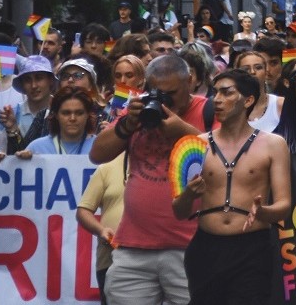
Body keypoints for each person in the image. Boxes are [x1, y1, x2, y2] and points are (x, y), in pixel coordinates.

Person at [90, 54, 211, 305]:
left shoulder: (208, 109)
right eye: (158, 92)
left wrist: (183, 131)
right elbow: (97, 154)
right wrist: (129, 123)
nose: (165, 100)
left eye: (172, 92)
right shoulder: (140, 108)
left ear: (190, 81)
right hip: (133, 247)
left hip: (191, 248)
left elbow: (226, 157)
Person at [173, 69, 291, 304]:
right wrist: (188, 195)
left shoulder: (273, 145)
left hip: (252, 248)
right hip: (206, 246)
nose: (217, 99)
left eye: (227, 93)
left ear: (248, 100)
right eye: (215, 92)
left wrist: (263, 211)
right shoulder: (197, 145)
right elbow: (179, 211)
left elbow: (285, 205)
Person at [78, 149, 128, 304]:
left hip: (152, 258)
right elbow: (83, 211)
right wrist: (101, 230)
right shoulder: (107, 167)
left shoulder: (164, 166)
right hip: (111, 258)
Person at [0, 54, 57, 154]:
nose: (34, 85)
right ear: (22, 84)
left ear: (50, 80)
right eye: (28, 80)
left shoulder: (64, 112)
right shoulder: (8, 116)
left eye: (39, 78)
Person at [21, 85, 97, 157]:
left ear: (88, 114)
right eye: (66, 113)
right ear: (56, 115)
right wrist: (23, 162)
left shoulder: (100, 147)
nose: (72, 118)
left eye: (79, 113)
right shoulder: (36, 148)